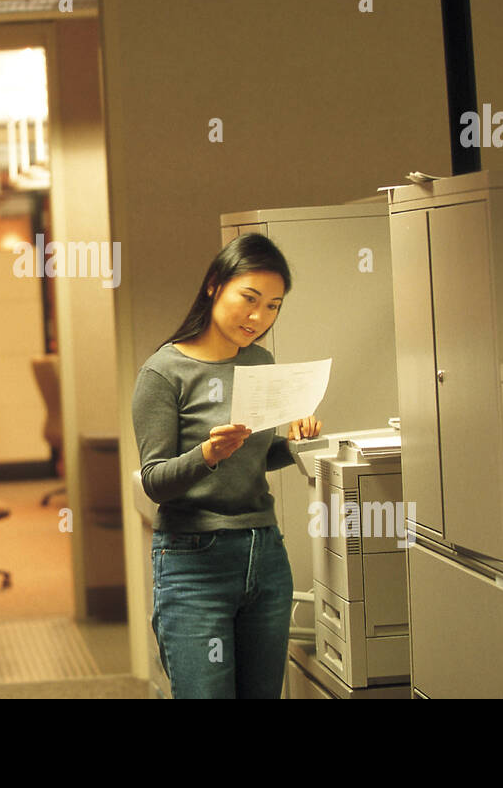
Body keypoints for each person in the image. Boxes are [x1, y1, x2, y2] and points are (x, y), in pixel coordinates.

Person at [132, 232, 321, 698]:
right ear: (215, 284)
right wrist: (207, 455)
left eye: (274, 306)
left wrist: (295, 442)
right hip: (194, 561)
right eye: (250, 299)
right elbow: (155, 481)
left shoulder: (260, 361)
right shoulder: (163, 372)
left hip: (265, 552)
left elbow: (255, 456)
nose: (259, 317)